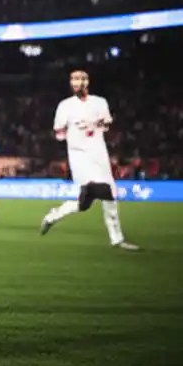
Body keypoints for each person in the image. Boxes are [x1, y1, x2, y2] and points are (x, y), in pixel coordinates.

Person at [40, 70, 140, 250]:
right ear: (71, 83)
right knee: (87, 198)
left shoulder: (99, 102)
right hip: (79, 156)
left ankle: (116, 239)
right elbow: (58, 131)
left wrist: (94, 124)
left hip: (98, 153)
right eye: (74, 79)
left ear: (87, 82)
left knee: (109, 194)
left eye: (81, 79)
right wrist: (68, 134)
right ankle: (53, 216)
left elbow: (107, 123)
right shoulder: (65, 105)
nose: (77, 82)